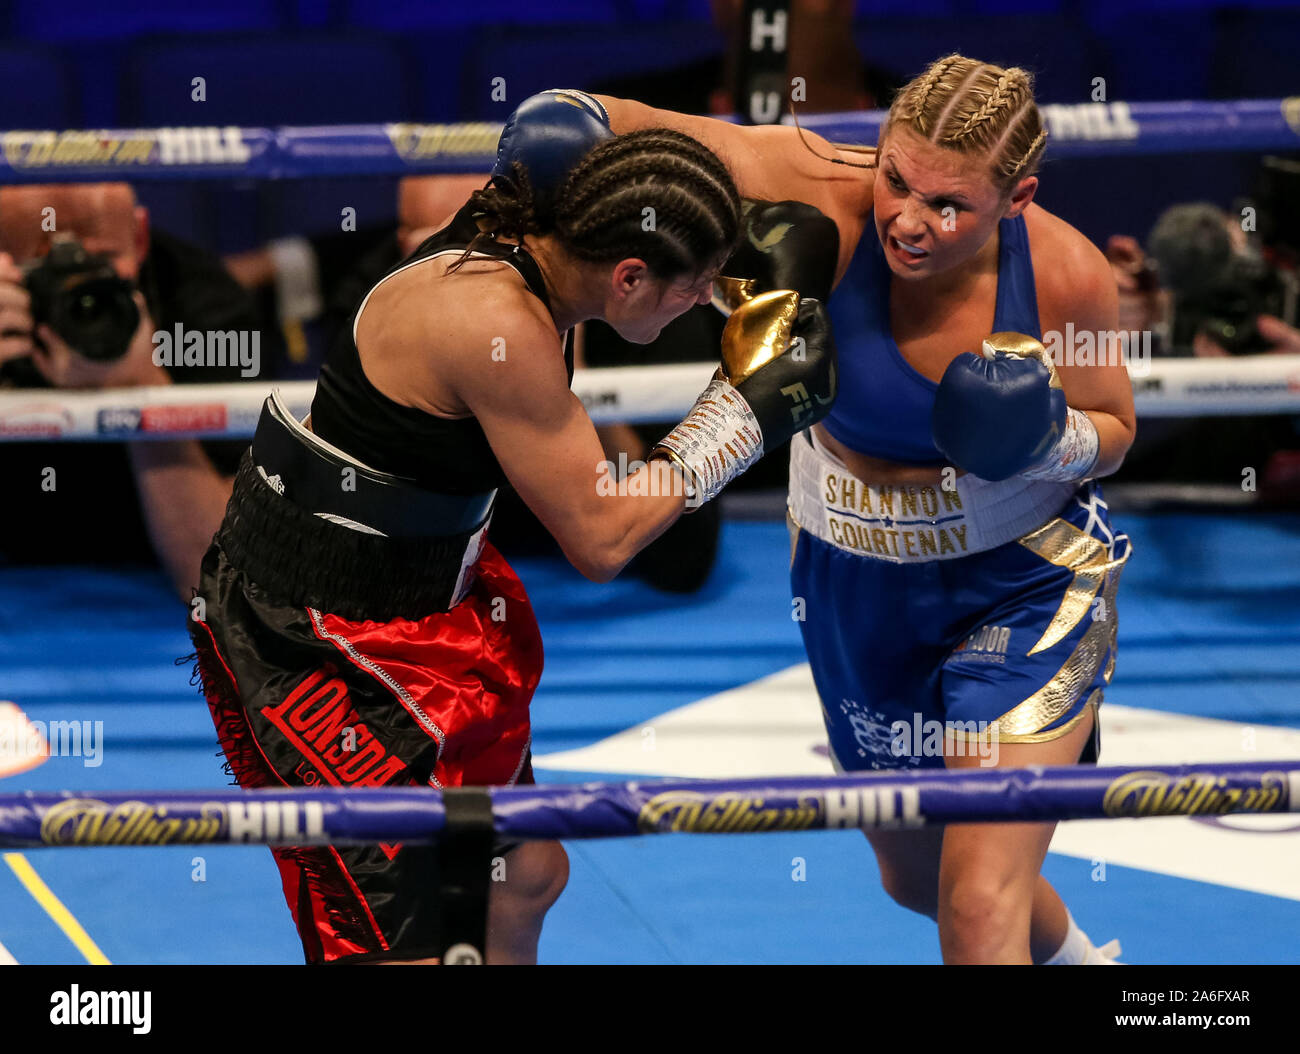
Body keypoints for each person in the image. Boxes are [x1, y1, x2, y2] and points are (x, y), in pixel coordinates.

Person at [187, 91, 838, 964]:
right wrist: (744, 412)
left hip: (426, 600)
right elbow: (602, 539)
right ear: (630, 276)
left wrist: (724, 251)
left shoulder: (542, 220)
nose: (702, 310)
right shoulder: (496, 324)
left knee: (522, 870)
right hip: (315, 634)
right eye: (694, 292)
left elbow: (573, 115)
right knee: (395, 932)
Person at [597, 53, 1137, 964]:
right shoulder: (819, 185)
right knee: (918, 880)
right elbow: (635, 121)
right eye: (897, 179)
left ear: (1019, 197)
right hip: (852, 580)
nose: (908, 220)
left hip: (1022, 583)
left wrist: (1046, 438)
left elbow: (1117, 424)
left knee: (978, 901)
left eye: (948, 204)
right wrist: (571, 117)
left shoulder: (1066, 274)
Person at [0, 182, 284, 599]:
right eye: (41, 268)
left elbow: (224, 582)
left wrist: (145, 394)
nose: (77, 289)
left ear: (139, 237)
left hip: (158, 584)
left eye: (101, 259)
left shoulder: (201, 307)